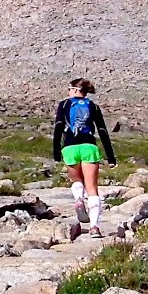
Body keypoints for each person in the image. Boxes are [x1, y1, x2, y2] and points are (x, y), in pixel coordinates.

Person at [52, 78, 116, 237]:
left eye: (69, 88)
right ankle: (94, 227)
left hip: (70, 147)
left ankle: (79, 199)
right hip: (89, 147)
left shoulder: (65, 104)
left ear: (75, 90)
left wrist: (56, 152)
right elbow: (102, 130)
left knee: (77, 181)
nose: (68, 91)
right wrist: (111, 157)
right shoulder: (93, 106)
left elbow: (59, 126)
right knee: (92, 188)